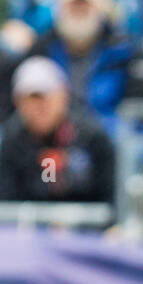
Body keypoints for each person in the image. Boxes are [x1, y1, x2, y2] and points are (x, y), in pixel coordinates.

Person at [0, 54, 114, 206]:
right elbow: (7, 200)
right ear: (18, 101)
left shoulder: (91, 137)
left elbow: (110, 194)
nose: (40, 107)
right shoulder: (11, 142)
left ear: (63, 95)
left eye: (46, 98)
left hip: (85, 225)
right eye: (32, 99)